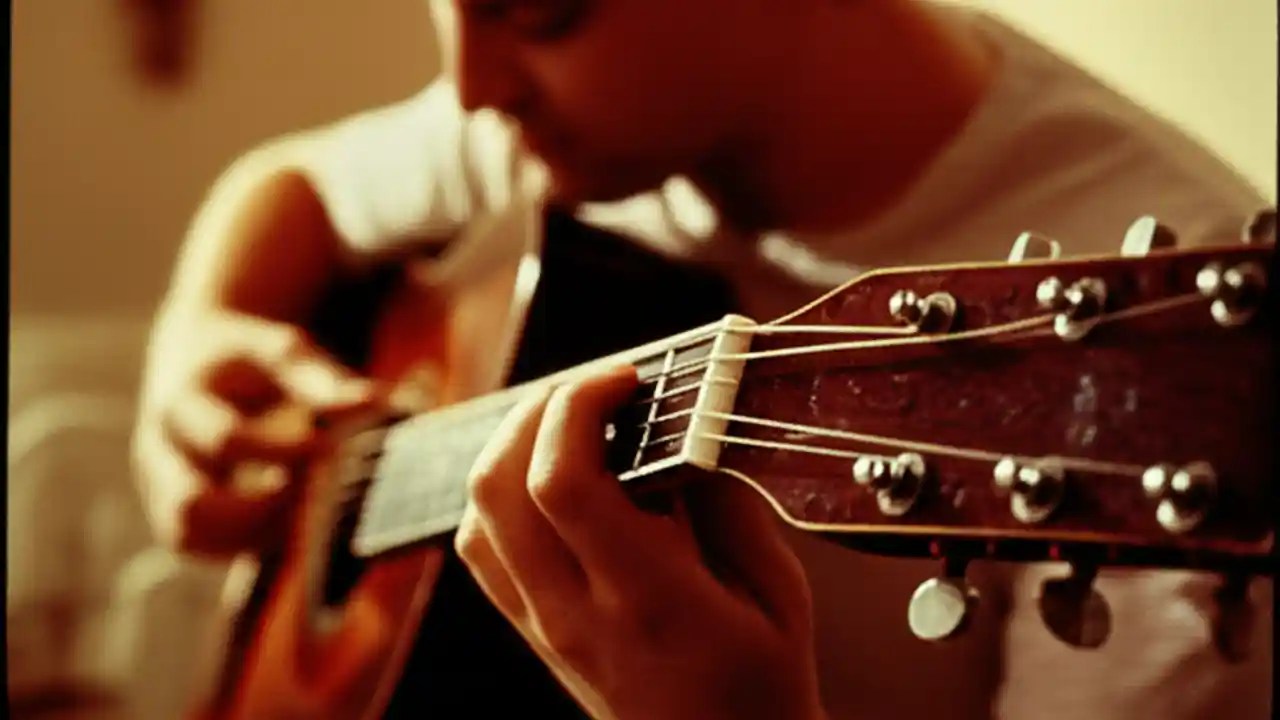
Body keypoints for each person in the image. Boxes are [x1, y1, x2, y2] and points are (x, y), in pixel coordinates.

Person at [132, 0, 1274, 717]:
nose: (473, 89)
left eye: (543, 14)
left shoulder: (1176, 370)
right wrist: (199, 332)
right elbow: (291, 185)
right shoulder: (577, 126)